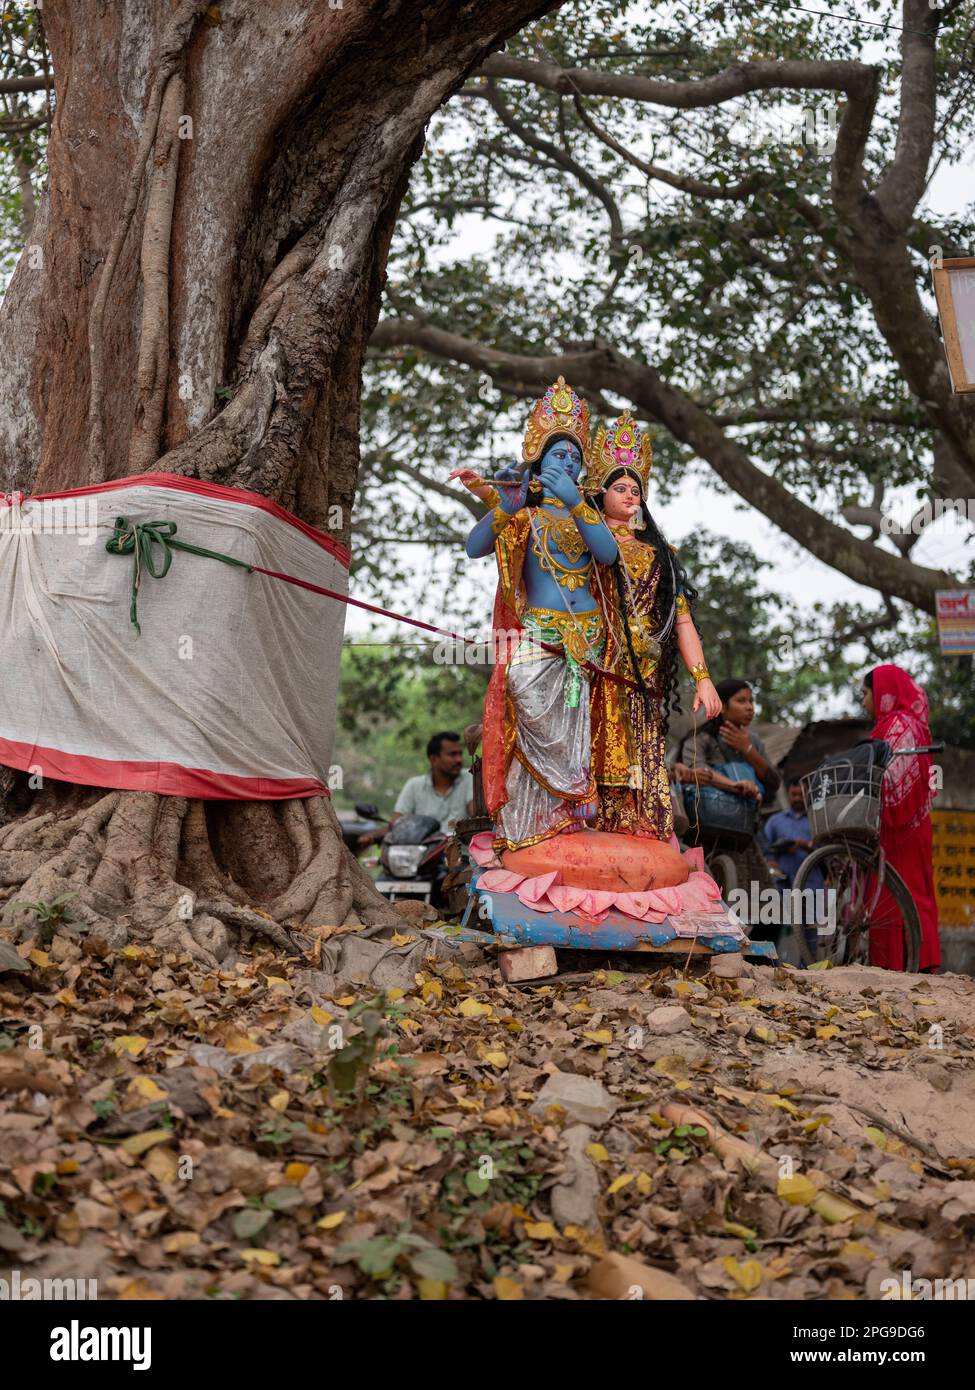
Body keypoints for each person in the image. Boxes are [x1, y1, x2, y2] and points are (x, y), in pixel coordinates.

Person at [462, 377, 619, 851]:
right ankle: (527, 826)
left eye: (575, 458)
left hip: (586, 636)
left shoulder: (587, 514)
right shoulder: (524, 515)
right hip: (538, 633)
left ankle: (567, 822)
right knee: (524, 704)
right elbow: (474, 547)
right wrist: (506, 510)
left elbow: (608, 556)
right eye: (558, 456)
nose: (567, 463)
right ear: (537, 462)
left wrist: (576, 506)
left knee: (574, 729)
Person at [583, 412, 722, 837]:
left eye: (636, 490)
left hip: (645, 671)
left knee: (644, 749)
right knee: (597, 746)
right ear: (599, 493)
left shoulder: (659, 553)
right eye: (620, 488)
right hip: (597, 664)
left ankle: (643, 832)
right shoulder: (586, 541)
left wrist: (702, 678)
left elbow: (681, 618)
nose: (630, 496)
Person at [863, 665, 940, 972]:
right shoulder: (908, 724)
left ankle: (905, 964)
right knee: (907, 892)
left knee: (899, 893)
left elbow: (894, 780)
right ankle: (913, 963)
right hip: (908, 826)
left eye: (866, 693)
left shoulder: (899, 724)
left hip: (900, 828)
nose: (864, 701)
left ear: (884, 693)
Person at [679, 677, 782, 890]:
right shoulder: (702, 737)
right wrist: (736, 786)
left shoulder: (754, 742)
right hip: (705, 829)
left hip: (742, 833)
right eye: (741, 701)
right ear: (723, 706)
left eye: (751, 701)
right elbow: (696, 772)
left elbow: (773, 783)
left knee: (758, 906)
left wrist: (748, 750)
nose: (750, 708)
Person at [358, 731, 473, 847]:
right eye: (452, 754)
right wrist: (372, 836)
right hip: (423, 858)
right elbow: (397, 823)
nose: (459, 760)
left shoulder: (471, 778)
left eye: (460, 754)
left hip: (462, 858)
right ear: (433, 759)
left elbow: (475, 813)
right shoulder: (414, 785)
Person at [764, 778, 817, 888]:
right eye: (794, 794)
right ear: (788, 795)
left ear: (808, 795)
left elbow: (826, 852)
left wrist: (805, 846)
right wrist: (771, 861)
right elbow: (765, 847)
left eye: (801, 794)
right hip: (783, 885)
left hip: (812, 884)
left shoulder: (816, 820)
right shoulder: (774, 821)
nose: (797, 798)